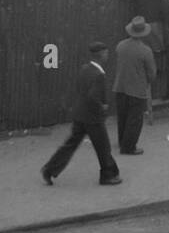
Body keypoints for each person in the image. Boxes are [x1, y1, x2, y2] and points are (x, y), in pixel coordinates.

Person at [42, 41, 122, 186]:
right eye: (106, 52)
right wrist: (102, 106)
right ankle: (108, 175)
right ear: (101, 55)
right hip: (93, 117)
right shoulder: (99, 75)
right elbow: (93, 96)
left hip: (80, 114)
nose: (108, 55)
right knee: (103, 147)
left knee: (70, 144)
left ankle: (49, 169)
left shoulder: (85, 69)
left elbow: (81, 90)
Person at [113, 16, 156, 155]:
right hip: (137, 89)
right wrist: (148, 81)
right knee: (135, 119)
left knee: (123, 117)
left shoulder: (120, 46)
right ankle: (129, 147)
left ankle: (122, 141)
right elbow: (151, 72)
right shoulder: (145, 50)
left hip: (120, 86)